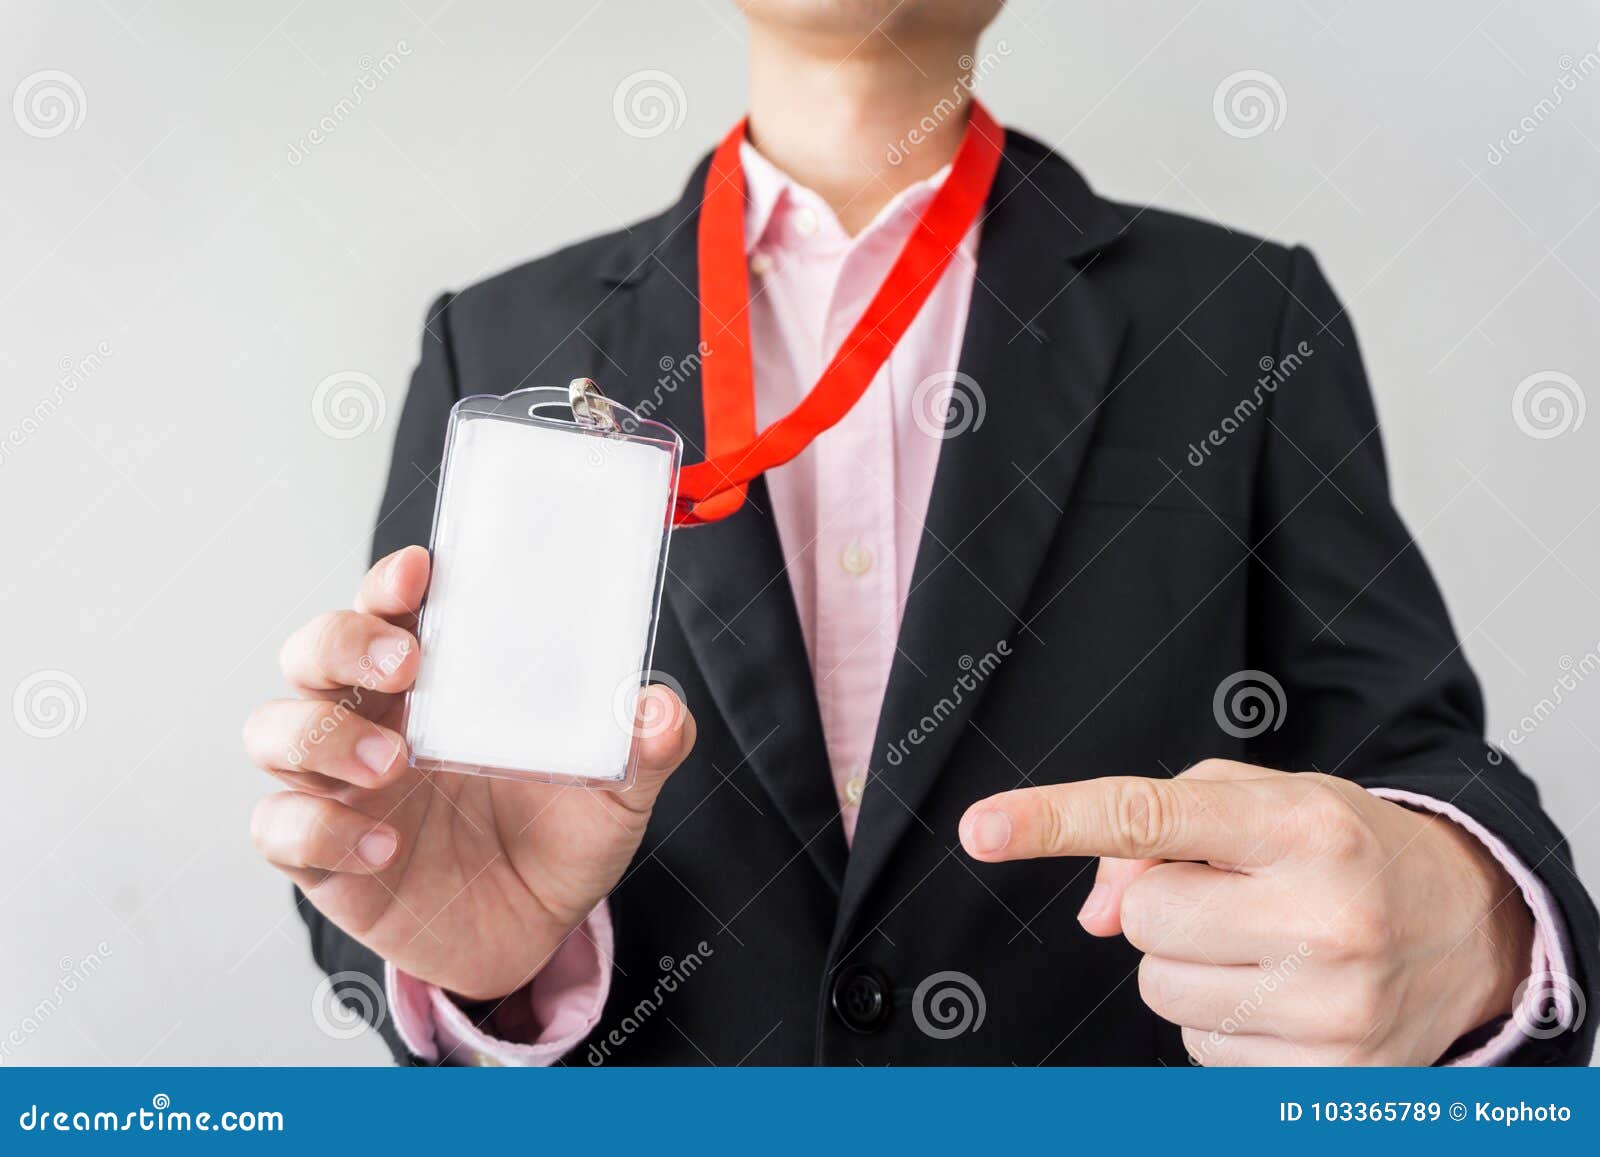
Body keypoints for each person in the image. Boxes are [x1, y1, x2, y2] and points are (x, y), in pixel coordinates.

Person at [244, 0, 1597, 1065]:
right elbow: (414, 815)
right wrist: (485, 965)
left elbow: (1416, 762)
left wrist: (1468, 924)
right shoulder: (500, 338)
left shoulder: (1243, 316)